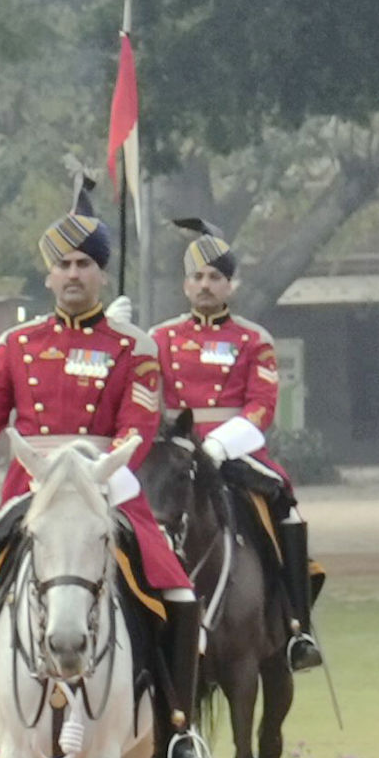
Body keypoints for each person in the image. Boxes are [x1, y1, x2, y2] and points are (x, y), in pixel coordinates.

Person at [0, 183, 210, 758]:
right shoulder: (16, 345)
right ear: (48, 275)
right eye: (62, 264)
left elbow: (139, 429)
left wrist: (98, 474)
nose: (73, 274)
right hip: (32, 492)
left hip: (107, 485)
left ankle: (177, 731)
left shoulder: (134, 346)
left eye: (84, 264)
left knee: (178, 594)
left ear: (100, 273)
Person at [147, 220, 324, 671]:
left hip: (237, 453)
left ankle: (296, 626)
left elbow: (261, 408)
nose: (205, 286)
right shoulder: (160, 339)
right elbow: (146, 401)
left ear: (232, 284)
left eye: (215, 278)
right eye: (198, 277)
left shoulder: (253, 339)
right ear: (186, 285)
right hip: (177, 455)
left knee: (288, 511)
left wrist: (221, 446)